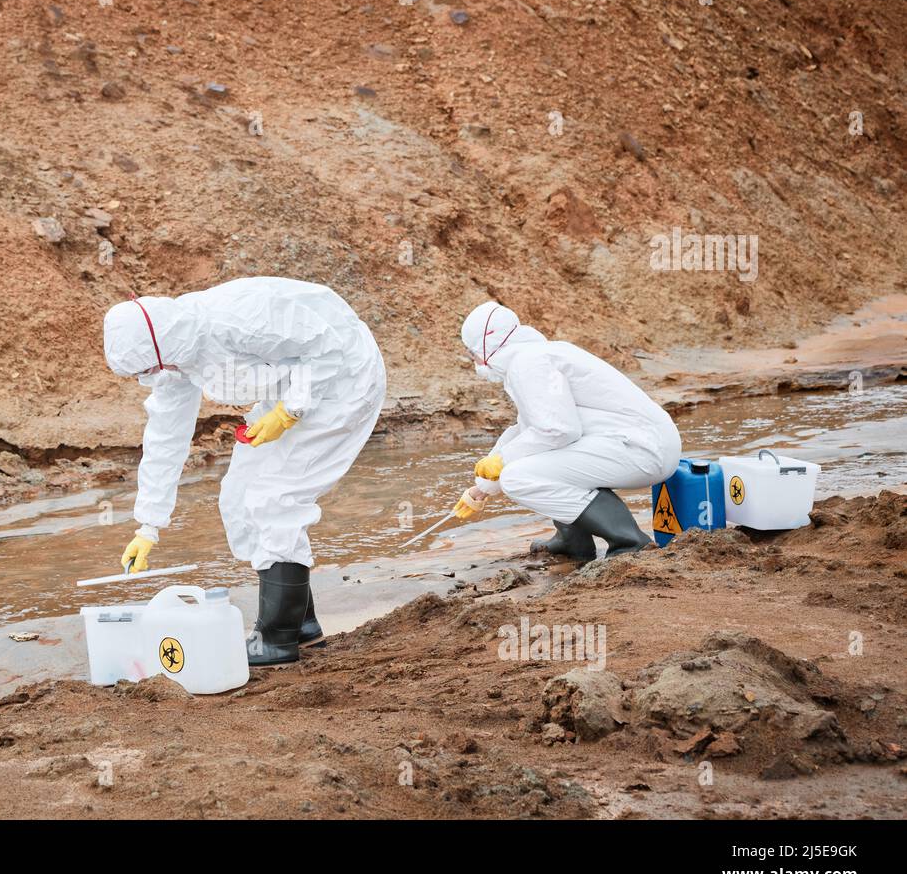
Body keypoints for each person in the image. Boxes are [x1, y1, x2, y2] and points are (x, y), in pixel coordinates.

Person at [102, 277, 386, 666]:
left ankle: (276, 638)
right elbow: (166, 437)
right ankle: (302, 625)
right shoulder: (177, 353)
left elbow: (327, 347)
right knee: (239, 497)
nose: (152, 377)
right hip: (286, 392)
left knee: (275, 499)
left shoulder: (237, 316)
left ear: (162, 350)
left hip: (343, 382)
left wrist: (291, 411)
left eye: (151, 369)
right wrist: (148, 525)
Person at [451, 301, 681, 559]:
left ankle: (629, 542)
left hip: (644, 450)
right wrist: (480, 489)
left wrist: (503, 462)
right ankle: (572, 540)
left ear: (487, 346)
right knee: (535, 460)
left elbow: (559, 431)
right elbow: (528, 430)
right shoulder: (536, 357)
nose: (475, 362)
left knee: (517, 477)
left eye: (473, 354)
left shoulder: (529, 364)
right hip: (643, 443)